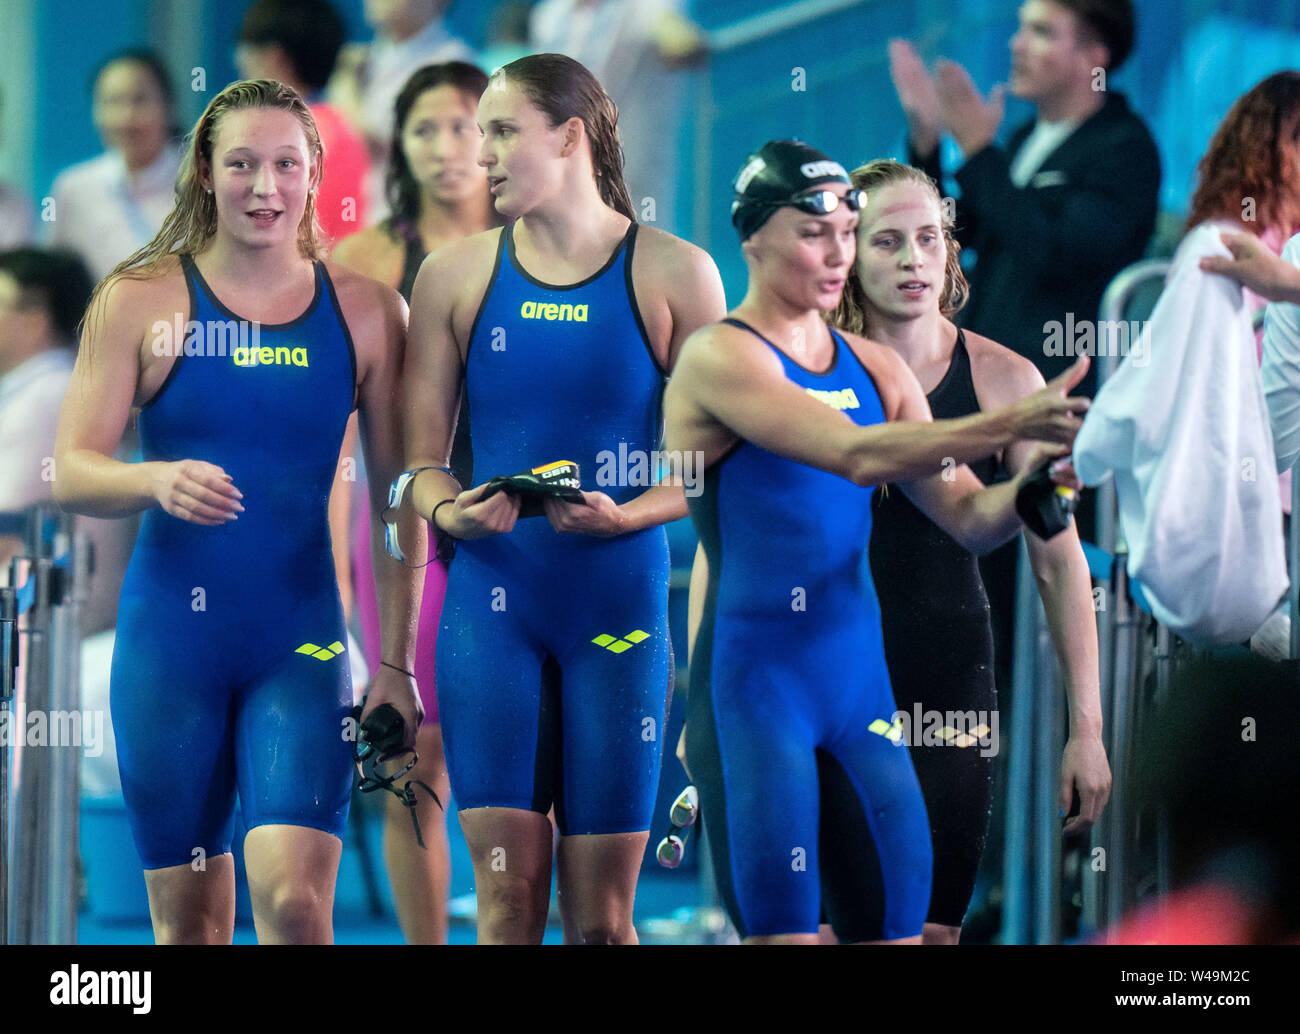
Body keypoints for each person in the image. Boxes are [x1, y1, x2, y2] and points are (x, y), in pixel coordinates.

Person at [663, 139, 1090, 944]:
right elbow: (854, 453)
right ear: (753, 238)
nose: (836, 251)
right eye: (814, 231)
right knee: (790, 936)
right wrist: (1009, 424)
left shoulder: (874, 370)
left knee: (908, 934)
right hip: (759, 697)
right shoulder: (719, 357)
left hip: (863, 698)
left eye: (845, 231)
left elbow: (967, 516)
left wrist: (1035, 493)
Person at [53, 79, 423, 945]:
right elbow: (72, 469)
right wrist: (154, 479)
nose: (265, 188)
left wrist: (398, 661)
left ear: (314, 173)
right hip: (169, 647)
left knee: (296, 904)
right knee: (190, 923)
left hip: (303, 642)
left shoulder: (367, 311)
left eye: (286, 165)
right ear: (206, 176)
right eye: (243, 164)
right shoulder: (142, 299)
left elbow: (399, 502)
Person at [400, 53, 726, 944]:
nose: (481, 154)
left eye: (501, 131)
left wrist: (628, 514)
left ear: (570, 136)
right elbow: (416, 462)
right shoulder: (453, 276)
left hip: (615, 610)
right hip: (488, 612)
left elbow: (708, 467)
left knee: (603, 921)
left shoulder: (676, 273)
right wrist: (446, 510)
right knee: (506, 907)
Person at [828, 158, 1110, 944]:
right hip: (823, 669)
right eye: (887, 242)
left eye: (929, 238)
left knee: (928, 933)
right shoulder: (811, 369)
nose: (914, 259)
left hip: (944, 673)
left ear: (951, 251)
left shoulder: (1002, 376)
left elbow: (1059, 557)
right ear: (846, 250)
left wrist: (1085, 726)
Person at [331, 59, 499, 945]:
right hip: (404, 529)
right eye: (424, 128)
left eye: (465, 125)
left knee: (512, 770)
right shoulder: (364, 261)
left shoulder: (543, 247)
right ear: (399, 143)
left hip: (514, 524)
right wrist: (336, 570)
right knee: (408, 750)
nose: (445, 148)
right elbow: (337, 443)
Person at [236, 0, 372, 245]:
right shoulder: (348, 127)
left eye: (245, 51)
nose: (239, 62)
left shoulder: (279, 135)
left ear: (274, 57)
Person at [48, 50, 183, 281]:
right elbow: (58, 283)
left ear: (168, 105)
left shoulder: (200, 180)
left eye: (140, 100)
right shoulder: (73, 188)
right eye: (112, 101)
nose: (126, 116)